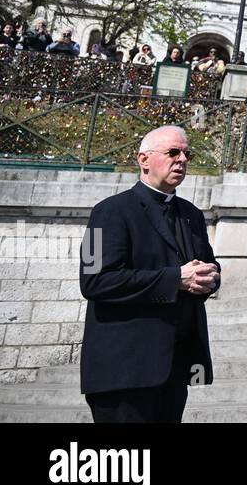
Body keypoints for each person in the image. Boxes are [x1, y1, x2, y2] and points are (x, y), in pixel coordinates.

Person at [79, 126, 221, 422]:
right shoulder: (106, 211)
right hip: (124, 373)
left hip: (174, 369)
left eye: (186, 153)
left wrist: (210, 277)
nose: (182, 159)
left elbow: (206, 266)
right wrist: (175, 279)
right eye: (173, 152)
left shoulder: (191, 214)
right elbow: (93, 281)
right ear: (143, 160)